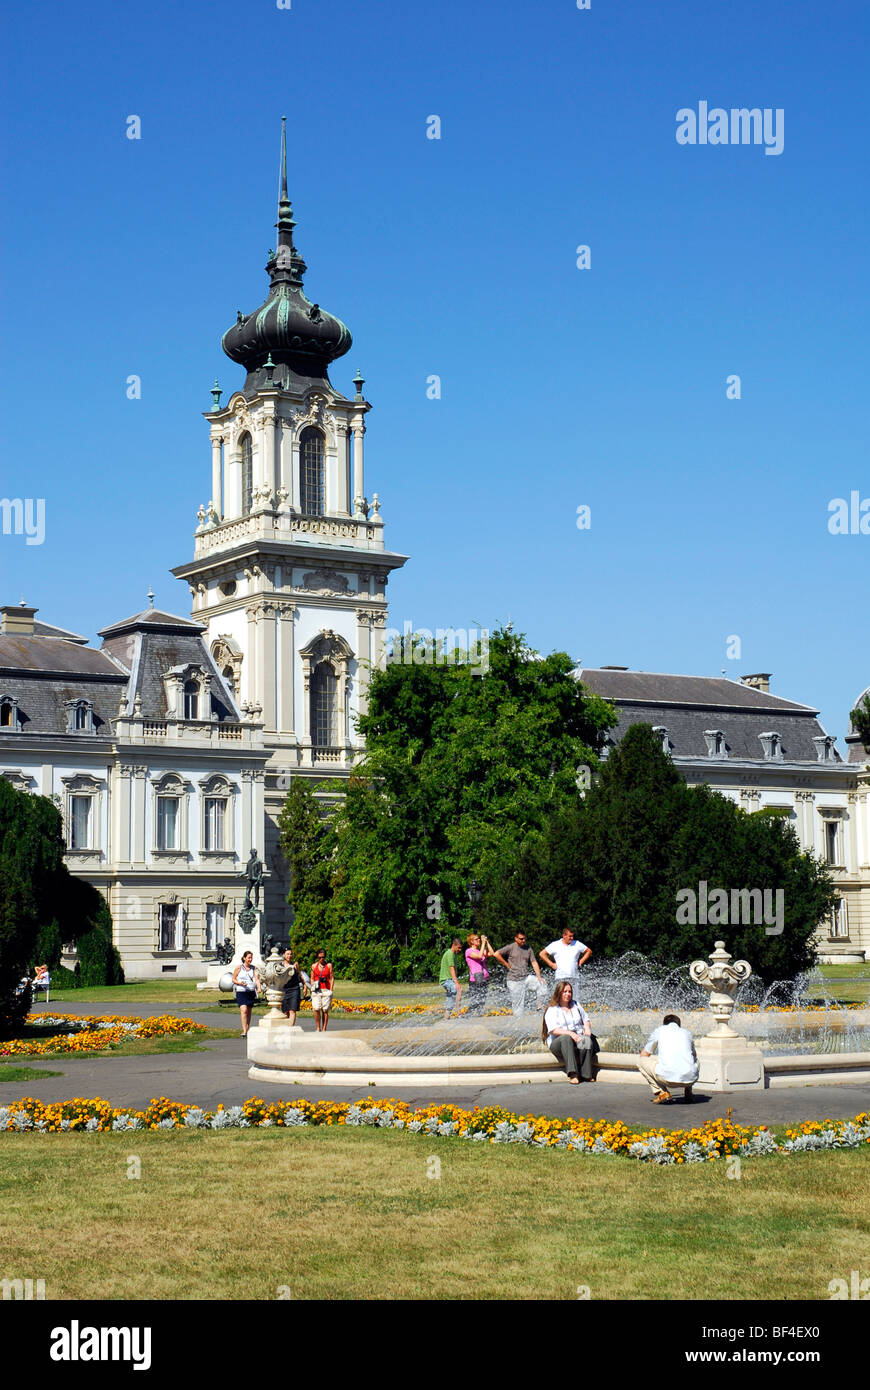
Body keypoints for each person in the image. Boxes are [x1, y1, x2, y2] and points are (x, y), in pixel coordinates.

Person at [638, 1013, 700, 1103]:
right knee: (696, 1061)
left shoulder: (659, 1031)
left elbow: (644, 1054)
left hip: (666, 1078)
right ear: (679, 1025)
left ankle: (662, 1092)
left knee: (640, 1061)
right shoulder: (687, 1032)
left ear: (664, 1024)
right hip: (689, 1079)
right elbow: (694, 1055)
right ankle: (688, 1092)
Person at [542, 981, 594, 1083]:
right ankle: (573, 1074)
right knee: (566, 1038)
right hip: (558, 1042)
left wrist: (587, 1029)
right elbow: (553, 1030)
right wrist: (571, 1034)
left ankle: (586, 1074)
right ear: (559, 992)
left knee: (586, 1040)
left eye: (569, 991)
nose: (567, 994)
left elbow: (586, 1019)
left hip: (576, 1039)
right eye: (564, 991)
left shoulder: (576, 1005)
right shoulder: (552, 1009)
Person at [493, 930, 546, 1015]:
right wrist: (506, 964)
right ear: (516, 939)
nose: (523, 941)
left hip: (526, 978)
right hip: (514, 981)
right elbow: (496, 954)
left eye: (524, 939)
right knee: (518, 1007)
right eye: (521, 939)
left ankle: (539, 1007)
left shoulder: (528, 948)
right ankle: (517, 1025)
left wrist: (539, 976)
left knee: (542, 983)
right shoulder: (511, 947)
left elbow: (534, 962)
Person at [539, 927, 592, 995]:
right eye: (570, 936)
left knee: (574, 998)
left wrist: (581, 961)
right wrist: (551, 964)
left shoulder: (577, 944)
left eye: (572, 936)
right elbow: (542, 954)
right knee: (560, 997)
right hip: (560, 977)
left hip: (574, 976)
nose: (572, 938)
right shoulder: (555, 944)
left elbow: (589, 951)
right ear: (564, 936)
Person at [232, 950, 261, 1037]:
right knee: (243, 1010)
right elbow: (233, 979)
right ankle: (244, 1030)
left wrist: (259, 988)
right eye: (248, 957)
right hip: (241, 991)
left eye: (251, 957)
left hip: (250, 991)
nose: (250, 959)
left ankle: (247, 1030)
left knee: (248, 1011)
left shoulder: (253, 968)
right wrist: (239, 983)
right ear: (244, 958)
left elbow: (257, 979)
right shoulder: (239, 968)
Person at [464, 933, 492, 1015]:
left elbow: (492, 953)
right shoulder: (468, 951)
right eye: (476, 939)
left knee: (482, 1002)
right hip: (475, 980)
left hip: (484, 978)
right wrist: (483, 944)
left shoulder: (480, 950)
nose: (479, 940)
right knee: (475, 1002)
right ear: (471, 941)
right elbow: (479, 957)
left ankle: (478, 1018)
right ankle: (466, 1017)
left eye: (479, 939)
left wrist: (487, 943)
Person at [310, 949, 334, 1032]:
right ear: (317, 957)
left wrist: (331, 990)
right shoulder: (314, 966)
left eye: (323, 957)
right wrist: (313, 987)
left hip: (326, 990)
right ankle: (318, 1027)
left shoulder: (329, 965)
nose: (321, 959)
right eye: (320, 957)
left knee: (325, 1010)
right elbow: (312, 978)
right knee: (316, 1008)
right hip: (317, 990)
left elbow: (331, 978)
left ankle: (324, 1028)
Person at [439, 938, 463, 1018]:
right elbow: (451, 968)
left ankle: (447, 1015)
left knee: (450, 996)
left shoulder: (454, 954)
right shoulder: (450, 953)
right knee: (458, 989)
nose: (460, 949)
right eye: (458, 947)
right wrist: (456, 982)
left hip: (447, 979)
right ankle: (458, 1012)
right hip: (446, 980)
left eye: (460, 948)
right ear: (453, 945)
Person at [281, 947, 304, 1025]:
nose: (289, 956)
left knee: (292, 1010)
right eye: (287, 954)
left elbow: (300, 975)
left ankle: (291, 1028)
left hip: (294, 989)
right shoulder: (280, 965)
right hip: (284, 989)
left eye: (291, 954)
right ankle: (286, 1028)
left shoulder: (295, 964)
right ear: (284, 955)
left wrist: (305, 986)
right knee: (285, 1011)